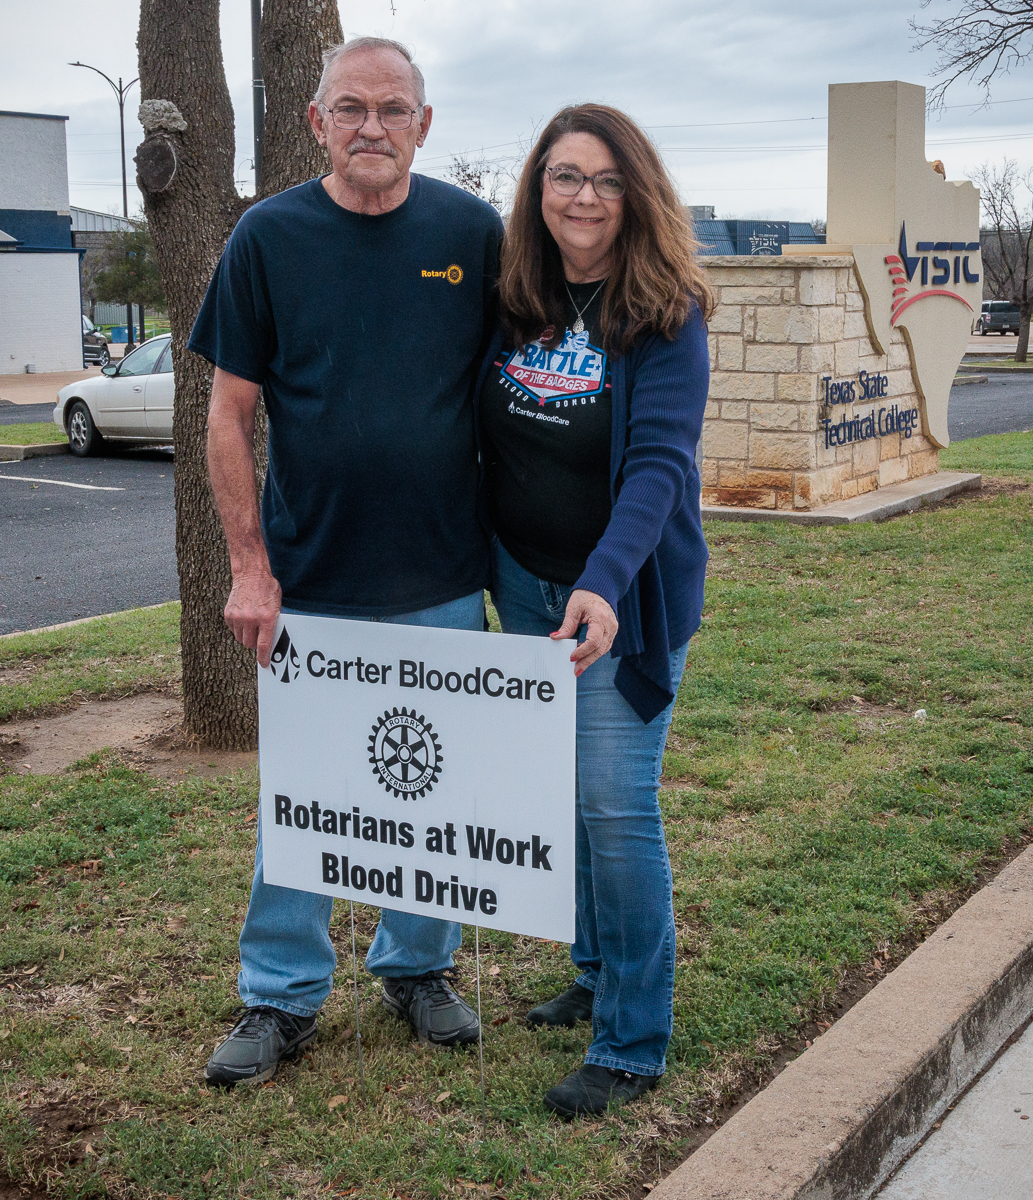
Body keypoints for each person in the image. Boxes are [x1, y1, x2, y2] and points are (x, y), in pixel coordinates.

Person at [189, 36, 504, 1086]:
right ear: (316, 121)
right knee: (306, 793)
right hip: (311, 579)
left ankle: (417, 966)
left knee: (431, 787)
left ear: (424, 123)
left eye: (393, 108)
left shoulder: (473, 233)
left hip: (443, 573)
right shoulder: (267, 237)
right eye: (352, 108)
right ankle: (280, 993)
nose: (373, 126)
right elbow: (228, 415)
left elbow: (527, 380)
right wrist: (250, 568)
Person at [477, 104, 713, 1117]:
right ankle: (593, 968)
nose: (584, 197)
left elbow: (659, 466)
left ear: (637, 194)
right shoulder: (514, 298)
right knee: (564, 795)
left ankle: (631, 1040)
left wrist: (603, 582)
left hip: (620, 598)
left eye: (607, 180)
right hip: (523, 583)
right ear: (538, 189)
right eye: (565, 176)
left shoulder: (665, 312)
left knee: (616, 808)